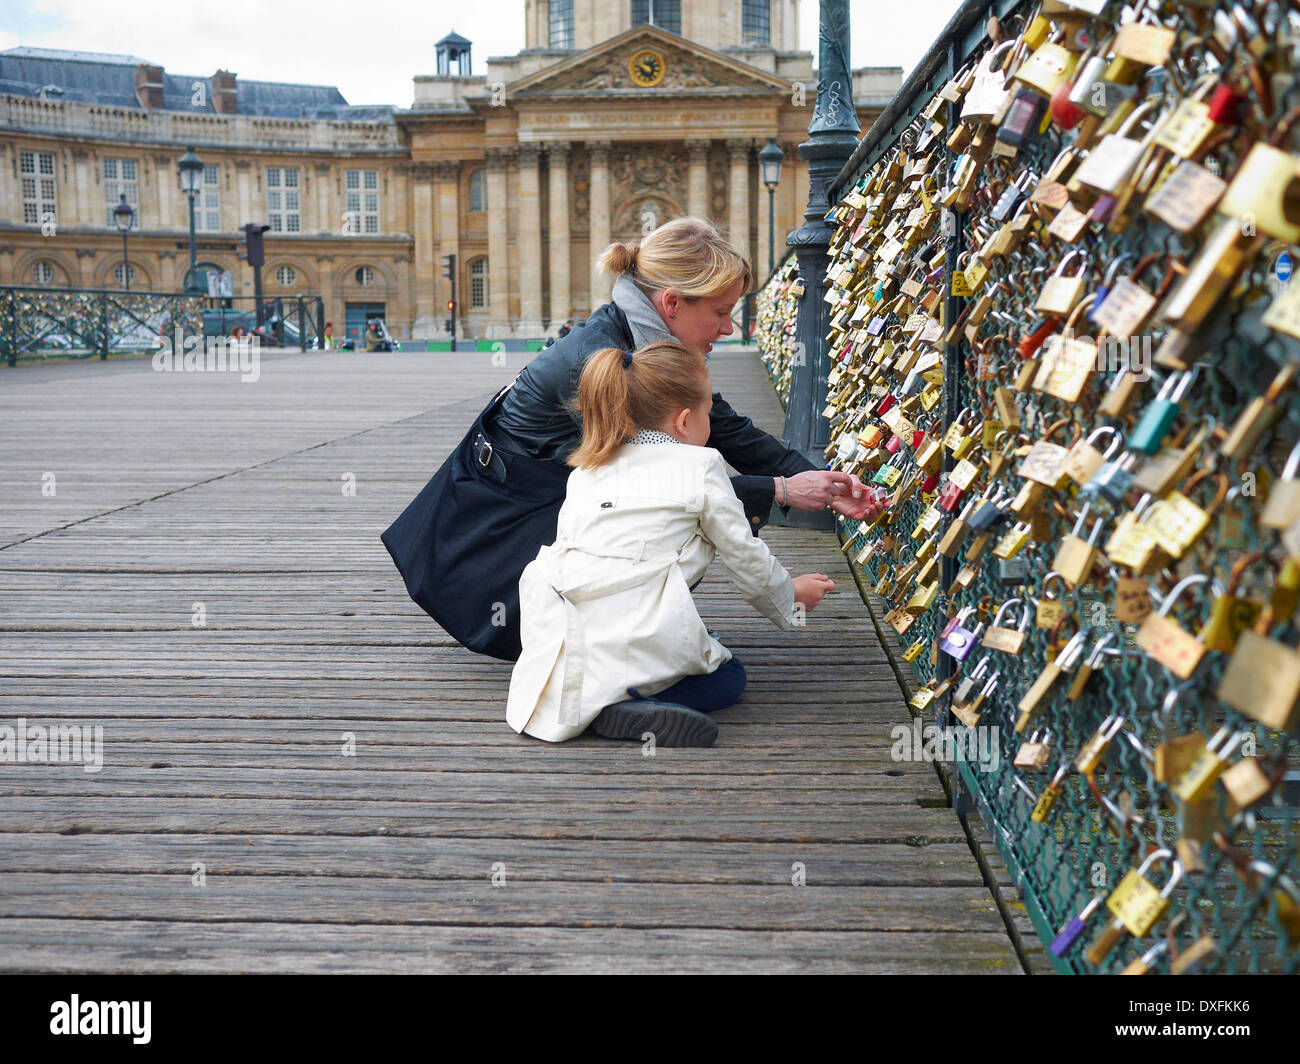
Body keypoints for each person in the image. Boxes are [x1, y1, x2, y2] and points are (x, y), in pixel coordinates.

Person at [381, 216, 882, 662]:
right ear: (671, 302)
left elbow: (720, 423)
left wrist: (811, 477)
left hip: (530, 508)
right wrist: (781, 491)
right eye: (722, 312)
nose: (729, 328)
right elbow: (651, 487)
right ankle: (621, 648)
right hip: (499, 542)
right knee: (681, 517)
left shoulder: (642, 336)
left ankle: (628, 634)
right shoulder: (602, 362)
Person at [507, 340, 835, 747]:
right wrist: (791, 596)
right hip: (632, 622)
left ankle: (592, 694)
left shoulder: (588, 469)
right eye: (708, 415)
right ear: (683, 422)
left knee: (680, 635)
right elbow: (746, 559)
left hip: (560, 624)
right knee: (730, 676)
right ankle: (622, 704)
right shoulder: (701, 467)